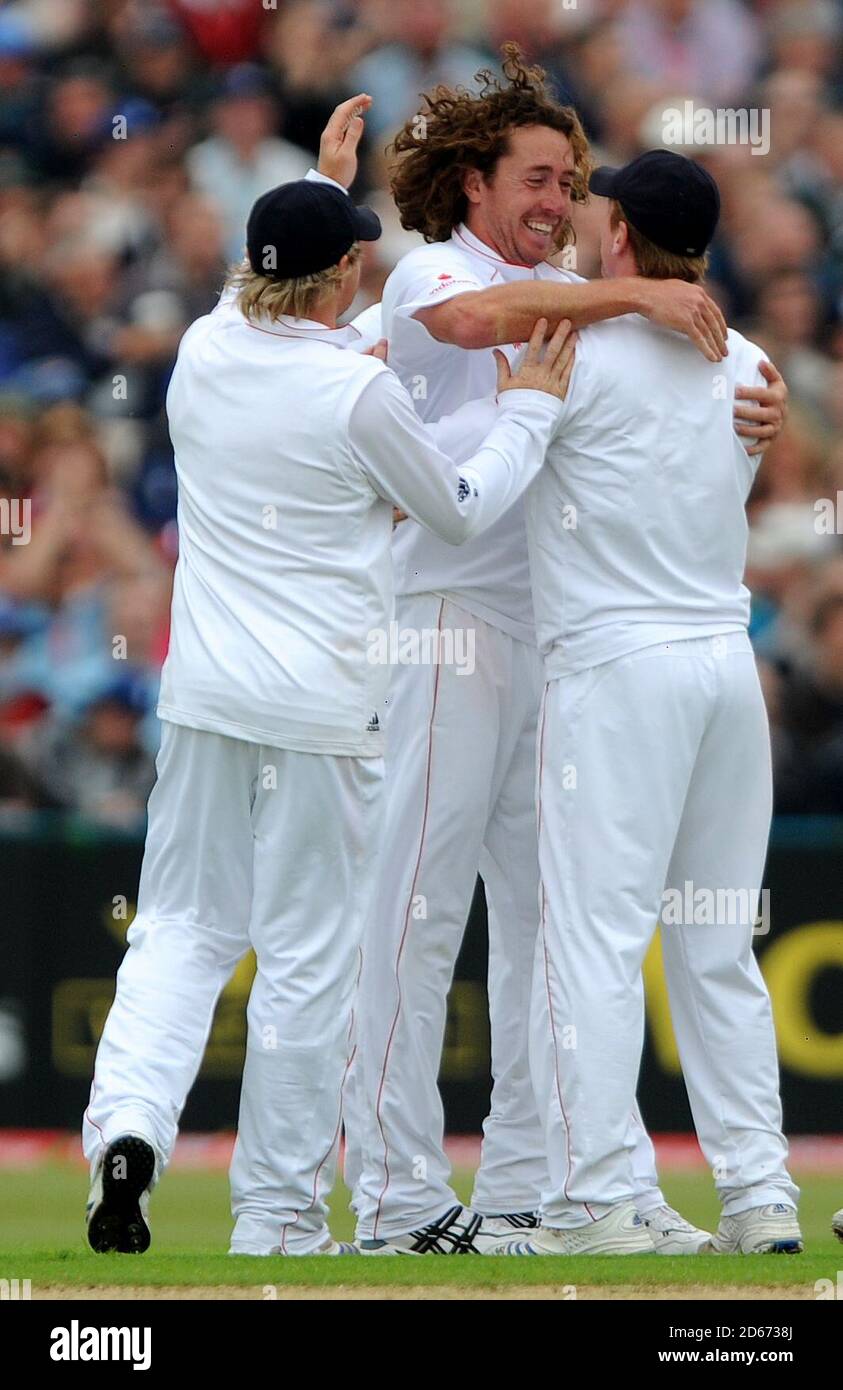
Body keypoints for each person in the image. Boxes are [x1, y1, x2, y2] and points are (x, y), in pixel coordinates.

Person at [82, 96, 575, 1258]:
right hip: (322, 714)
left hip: (203, 701)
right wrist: (529, 415)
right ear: (347, 274)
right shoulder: (354, 392)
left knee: (179, 930)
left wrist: (316, 184)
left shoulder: (205, 348)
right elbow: (455, 513)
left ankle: (131, 1130)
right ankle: (280, 1220)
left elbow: (267, 284)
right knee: (306, 965)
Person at [340, 47, 788, 1256]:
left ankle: (538, 1187)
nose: (555, 199)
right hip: (446, 630)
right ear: (476, 182)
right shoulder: (437, 265)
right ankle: (394, 1201)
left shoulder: (597, 312)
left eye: (573, 181)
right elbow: (474, 320)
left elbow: (690, 394)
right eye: (538, 176)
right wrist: (641, 297)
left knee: (550, 933)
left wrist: (744, 389)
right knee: (420, 918)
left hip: (570, 645)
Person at [507, 151, 801, 1256]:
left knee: (593, 937)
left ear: (620, 232)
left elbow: (466, 320)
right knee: (715, 944)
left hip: (616, 668)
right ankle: (761, 1193)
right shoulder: (751, 360)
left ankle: (589, 1201)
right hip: (725, 669)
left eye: (595, 212)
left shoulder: (568, 343)